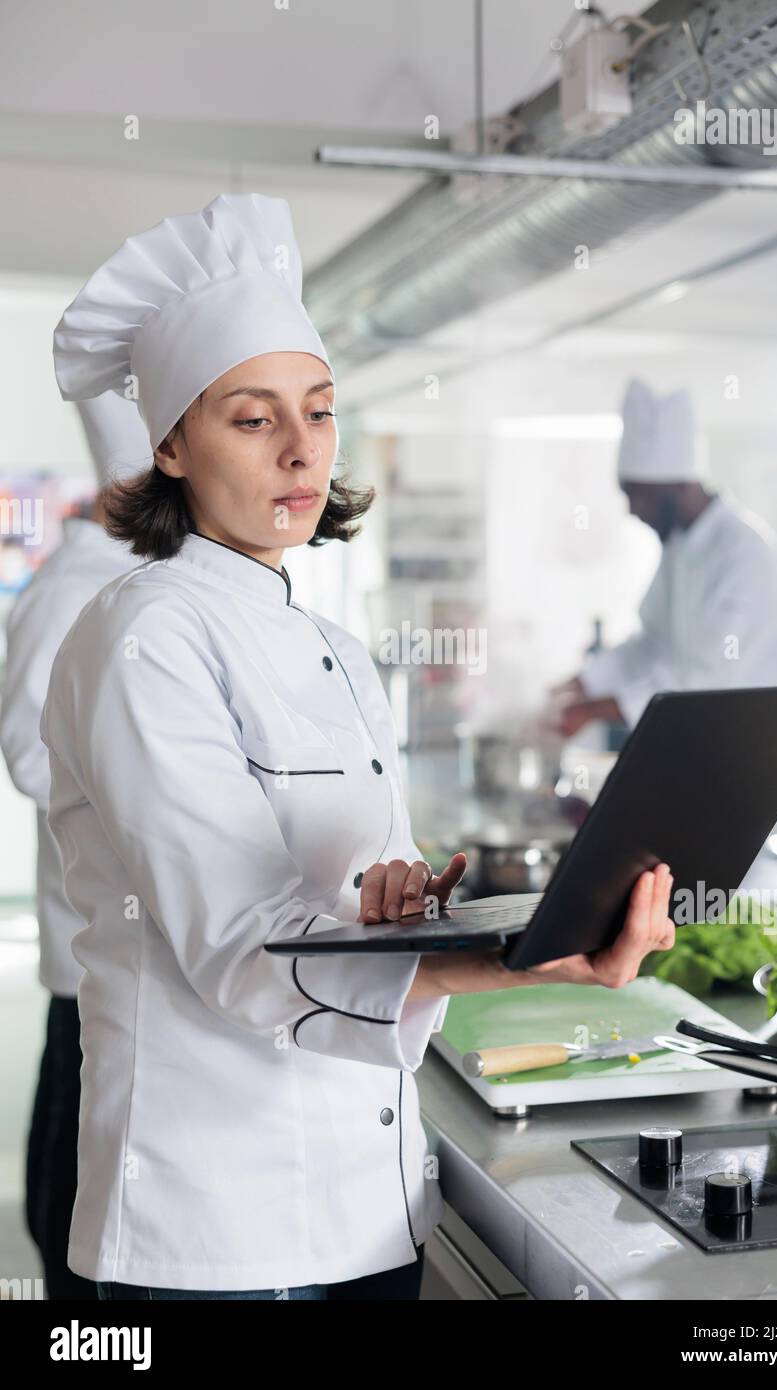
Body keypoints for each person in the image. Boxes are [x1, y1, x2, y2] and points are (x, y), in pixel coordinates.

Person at [45, 194, 675, 1300]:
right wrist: (507, 960)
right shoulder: (141, 636)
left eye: (321, 410)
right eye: (253, 418)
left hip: (367, 1204)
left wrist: (394, 900)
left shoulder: (328, 644)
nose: (301, 449)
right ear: (171, 443)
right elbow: (241, 946)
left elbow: (322, 900)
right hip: (219, 1231)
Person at [0, 391, 150, 1299]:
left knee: (86, 1142)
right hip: (87, 936)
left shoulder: (142, 574)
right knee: (70, 1159)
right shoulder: (70, 585)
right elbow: (27, 750)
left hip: (122, 939)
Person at [552, 379, 777, 816]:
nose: (632, 511)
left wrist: (594, 709)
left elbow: (709, 684)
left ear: (673, 486)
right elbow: (651, 642)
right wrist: (579, 684)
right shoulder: (680, 549)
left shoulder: (743, 554)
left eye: (637, 495)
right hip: (727, 776)